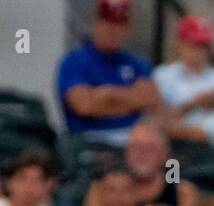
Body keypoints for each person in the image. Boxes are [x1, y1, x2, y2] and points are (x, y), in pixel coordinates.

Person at [56, 0, 159, 144]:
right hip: (90, 141)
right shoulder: (75, 61)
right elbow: (84, 106)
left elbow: (150, 100)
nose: (113, 30)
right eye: (108, 23)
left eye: (119, 24)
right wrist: (132, 103)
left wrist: (108, 94)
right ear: (95, 24)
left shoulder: (136, 63)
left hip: (133, 140)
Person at [79, 120, 197, 206]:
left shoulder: (181, 192)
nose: (141, 154)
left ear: (165, 155)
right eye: (135, 148)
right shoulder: (102, 188)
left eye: (149, 148)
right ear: (126, 152)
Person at [152, 15, 214, 127]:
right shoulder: (163, 76)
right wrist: (193, 104)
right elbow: (154, 119)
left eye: (203, 45)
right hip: (177, 139)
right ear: (179, 44)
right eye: (193, 44)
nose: (198, 51)